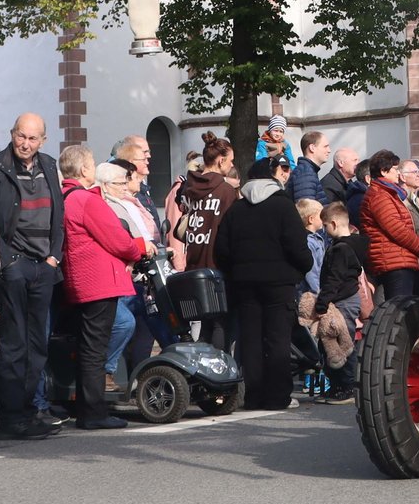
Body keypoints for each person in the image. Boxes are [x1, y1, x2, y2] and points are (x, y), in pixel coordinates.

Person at [0, 113, 64, 440]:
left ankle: (27, 410)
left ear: (43, 140)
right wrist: (9, 262)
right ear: (12, 133)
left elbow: (59, 214)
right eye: (21, 136)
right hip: (14, 265)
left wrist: (54, 257)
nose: (25, 144)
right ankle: (11, 415)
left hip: (44, 265)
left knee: (36, 345)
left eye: (32, 138)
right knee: (14, 344)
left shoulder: (49, 165)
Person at [59, 144, 149, 430]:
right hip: (98, 282)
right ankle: (94, 412)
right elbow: (118, 239)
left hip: (82, 280)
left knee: (88, 348)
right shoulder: (86, 199)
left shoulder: (65, 197)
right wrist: (138, 248)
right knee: (94, 351)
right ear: (85, 169)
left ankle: (88, 409)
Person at [214, 156, 311, 412]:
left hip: (245, 283)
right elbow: (298, 247)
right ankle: (277, 396)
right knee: (278, 339)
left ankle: (254, 395)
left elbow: (221, 251)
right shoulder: (283, 206)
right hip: (279, 282)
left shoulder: (236, 210)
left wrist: (236, 272)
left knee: (251, 339)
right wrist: (301, 268)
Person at [98, 160, 162, 383]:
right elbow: (118, 240)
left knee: (152, 313)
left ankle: (147, 372)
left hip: (132, 274)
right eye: (120, 184)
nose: (124, 187)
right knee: (125, 322)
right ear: (105, 185)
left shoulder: (123, 203)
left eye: (125, 182)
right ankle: (105, 370)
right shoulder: (106, 206)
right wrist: (140, 248)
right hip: (114, 278)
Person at [309, 203, 366, 404]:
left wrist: (321, 303)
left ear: (333, 224)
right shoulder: (352, 245)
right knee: (332, 344)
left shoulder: (341, 249)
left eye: (325, 226)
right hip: (345, 299)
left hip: (342, 300)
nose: (324, 230)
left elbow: (334, 279)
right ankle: (337, 386)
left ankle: (348, 386)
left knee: (342, 345)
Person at [360, 150, 419, 300]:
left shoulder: (387, 193)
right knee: (399, 308)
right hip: (393, 261)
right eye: (395, 169)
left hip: (395, 258)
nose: (398, 173)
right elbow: (397, 229)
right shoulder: (380, 195)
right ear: (383, 172)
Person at [170, 133, 238, 272]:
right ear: (221, 161)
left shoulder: (189, 187)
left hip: (192, 263)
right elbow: (232, 231)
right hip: (215, 266)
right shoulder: (226, 191)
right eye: (231, 161)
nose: (232, 165)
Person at [292, 131, 328, 204]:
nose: (329, 150)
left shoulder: (308, 171)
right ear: (312, 148)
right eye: (325, 146)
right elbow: (306, 208)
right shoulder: (305, 173)